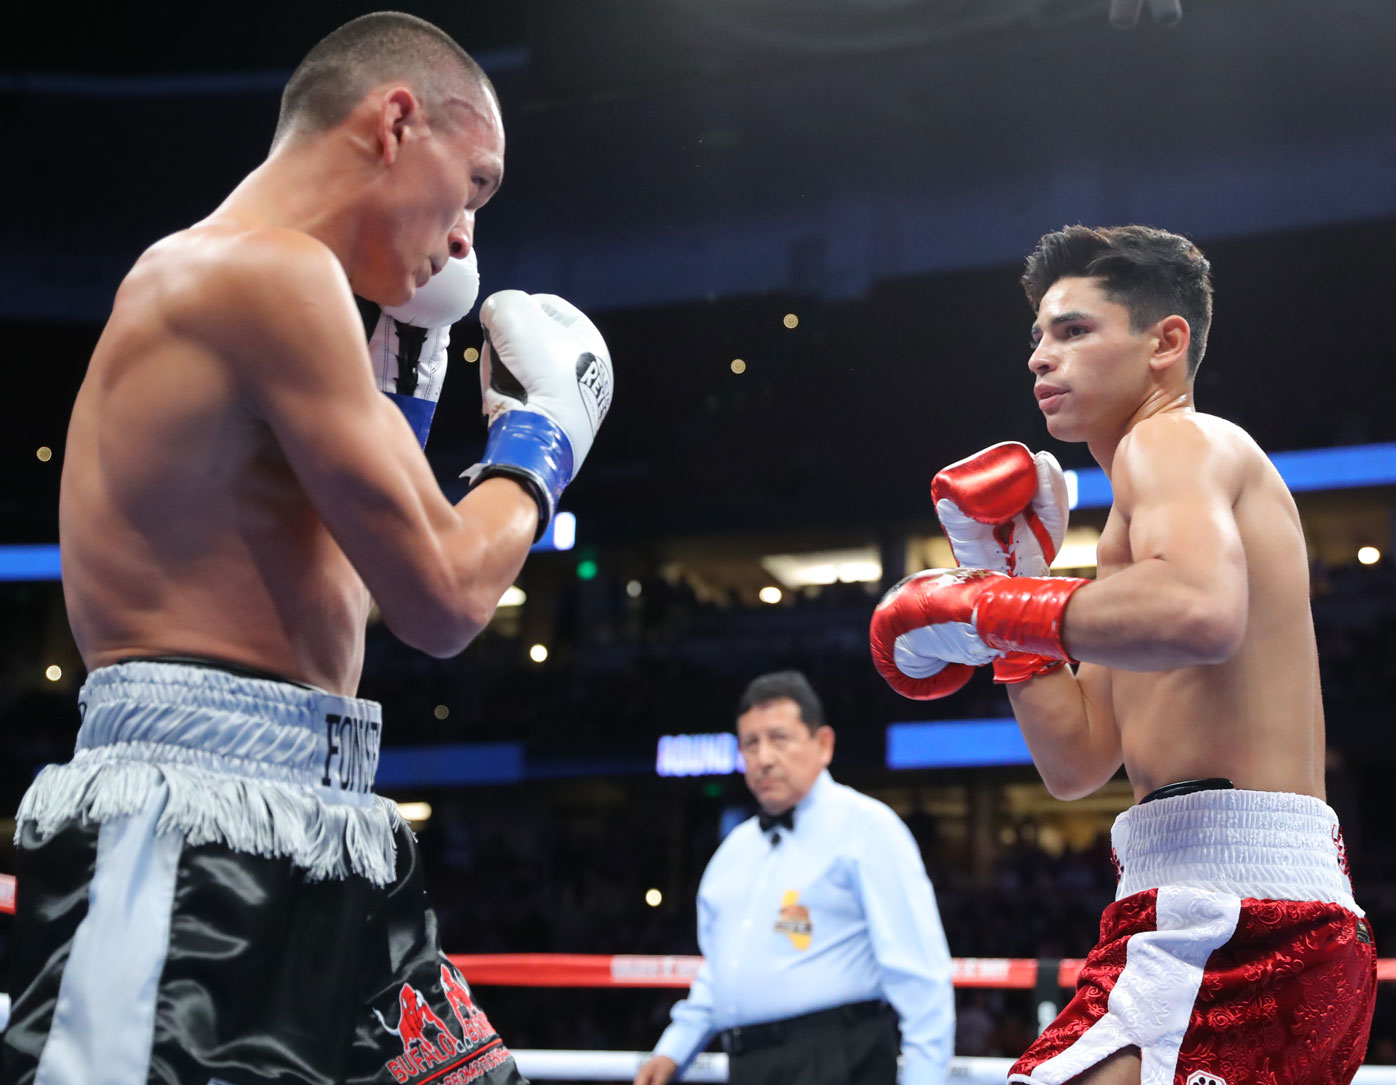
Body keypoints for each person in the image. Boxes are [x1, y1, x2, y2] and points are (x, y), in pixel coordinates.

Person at [2, 11, 613, 1084]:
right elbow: (444, 599)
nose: (469, 238)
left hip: (327, 820)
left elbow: (354, 596)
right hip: (187, 833)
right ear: (394, 121)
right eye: (472, 185)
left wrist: (409, 396)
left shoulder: (291, 294)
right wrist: (542, 438)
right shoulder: (259, 273)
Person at [869, 225, 1375, 1085]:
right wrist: (1008, 600)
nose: (1040, 356)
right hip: (1206, 902)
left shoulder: (1178, 441)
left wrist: (997, 604)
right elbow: (1077, 758)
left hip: (1234, 912)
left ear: (1165, 344)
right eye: (1036, 336)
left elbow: (1200, 610)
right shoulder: (1125, 545)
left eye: (1073, 330)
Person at [634, 671, 954, 1085]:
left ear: (823, 744)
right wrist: (674, 1049)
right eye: (751, 743)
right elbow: (722, 970)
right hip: (748, 1063)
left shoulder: (868, 827)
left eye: (779, 738)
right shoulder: (733, 852)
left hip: (840, 1058)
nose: (764, 757)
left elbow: (921, 977)